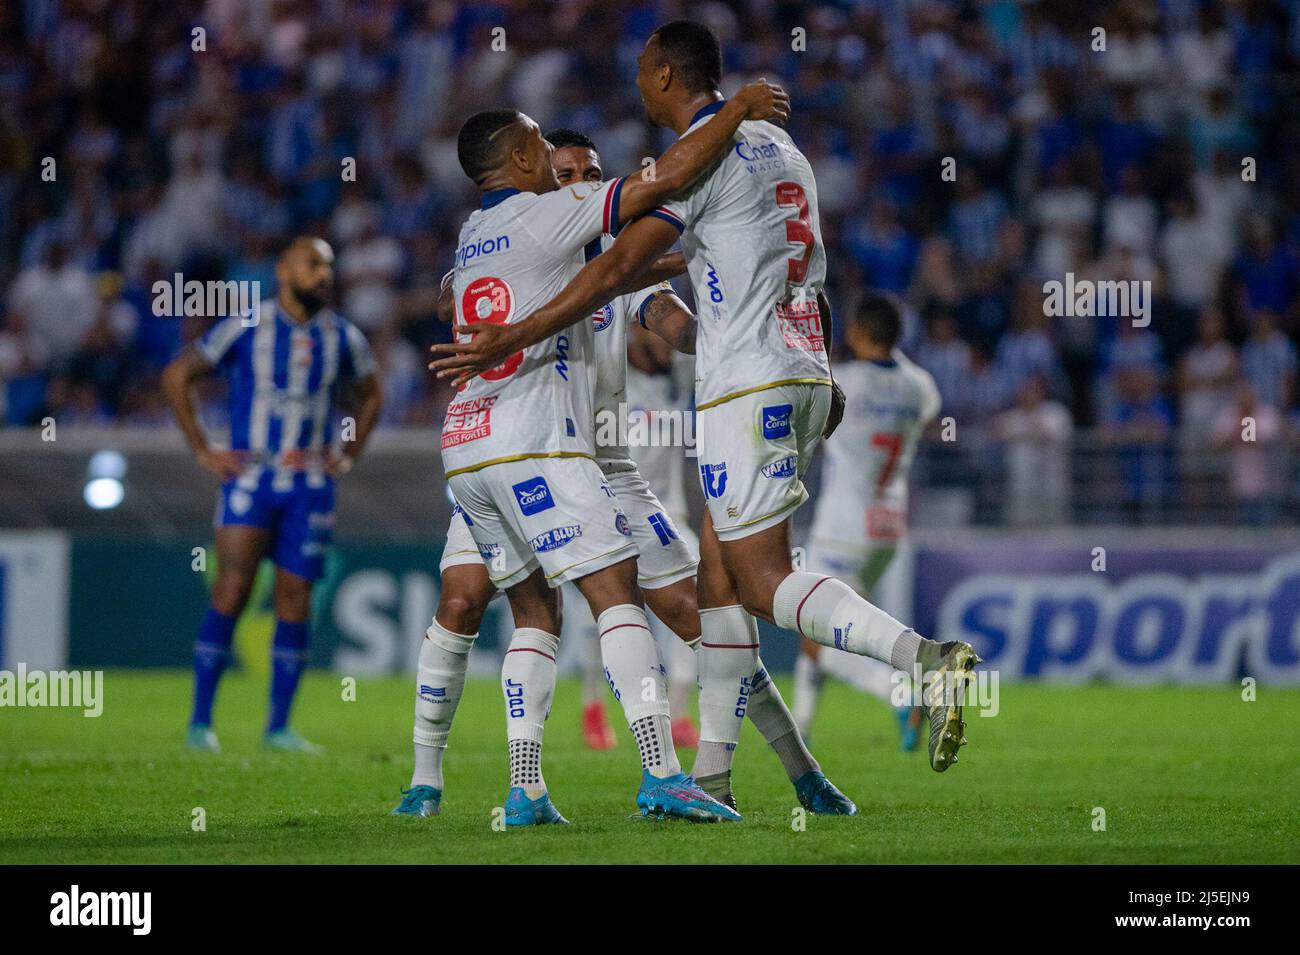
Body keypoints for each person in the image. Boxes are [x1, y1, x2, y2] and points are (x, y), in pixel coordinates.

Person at [431, 20, 979, 775]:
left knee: (760, 580)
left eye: (640, 70)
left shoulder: (700, 157)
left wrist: (514, 330)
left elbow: (617, 268)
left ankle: (923, 658)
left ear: (663, 74)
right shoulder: (783, 149)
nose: (635, 84)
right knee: (716, 583)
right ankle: (714, 776)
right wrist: (820, 369)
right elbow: (794, 264)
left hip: (743, 385)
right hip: (800, 366)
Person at [397, 124, 851, 820]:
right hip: (535, 448)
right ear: (540, 175)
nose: (581, 183)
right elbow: (455, 293)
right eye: (566, 172)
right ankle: (431, 779)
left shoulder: (613, 262)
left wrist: (753, 334)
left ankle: (800, 767)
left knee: (698, 618)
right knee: (466, 602)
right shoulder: (546, 236)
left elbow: (679, 327)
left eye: (591, 172)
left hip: (597, 465)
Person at [161, 237, 382, 753]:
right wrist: (204, 449)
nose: (324, 275)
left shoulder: (342, 336)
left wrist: (348, 453)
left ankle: (278, 728)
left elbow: (372, 394)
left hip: (309, 486)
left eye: (329, 266)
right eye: (313, 264)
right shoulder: (246, 325)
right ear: (284, 270)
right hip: (251, 480)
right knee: (232, 591)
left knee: (296, 600)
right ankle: (200, 724)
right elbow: (177, 375)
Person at [793, 293, 940, 751]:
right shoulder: (920, 385)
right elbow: (929, 410)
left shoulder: (843, 381)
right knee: (819, 630)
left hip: (842, 529)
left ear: (856, 331)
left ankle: (900, 695)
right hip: (888, 529)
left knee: (818, 632)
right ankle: (800, 727)